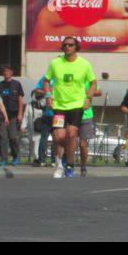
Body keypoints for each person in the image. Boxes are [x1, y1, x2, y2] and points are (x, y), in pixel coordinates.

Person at [43, 37, 97, 179]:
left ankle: (69, 165)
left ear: (76, 47)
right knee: (58, 136)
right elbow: (46, 81)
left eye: (71, 45)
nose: (67, 47)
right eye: (65, 45)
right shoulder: (55, 63)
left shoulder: (84, 64)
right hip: (59, 106)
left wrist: (88, 99)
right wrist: (48, 96)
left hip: (76, 106)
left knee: (72, 134)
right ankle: (69, 152)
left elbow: (93, 84)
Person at [0, 65, 25, 167]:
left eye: (8, 71)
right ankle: (3, 158)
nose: (6, 73)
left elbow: (21, 100)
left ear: (11, 72)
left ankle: (15, 156)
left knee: (13, 137)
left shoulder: (17, 84)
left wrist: (20, 114)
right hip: (2, 115)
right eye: (4, 71)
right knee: (2, 137)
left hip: (13, 115)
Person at [78, 81, 104, 178]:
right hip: (71, 113)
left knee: (82, 144)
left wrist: (85, 92)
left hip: (86, 115)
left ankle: (83, 167)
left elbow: (99, 92)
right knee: (68, 140)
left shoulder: (88, 79)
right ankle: (67, 165)